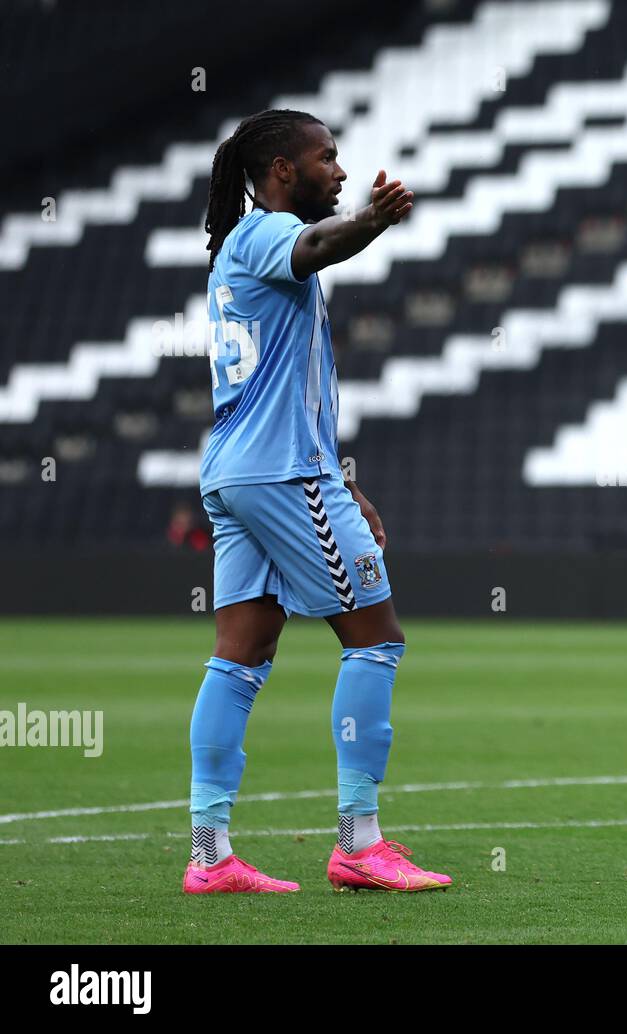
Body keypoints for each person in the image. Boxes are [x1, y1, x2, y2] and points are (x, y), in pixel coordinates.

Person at [185, 109, 450, 894]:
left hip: (242, 471)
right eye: (325, 158)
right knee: (376, 638)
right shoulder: (267, 233)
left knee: (241, 655)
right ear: (279, 173)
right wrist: (372, 220)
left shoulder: (238, 251)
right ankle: (358, 843)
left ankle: (210, 855)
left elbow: (283, 388)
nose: (337, 170)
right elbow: (319, 243)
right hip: (280, 474)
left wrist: (344, 480)